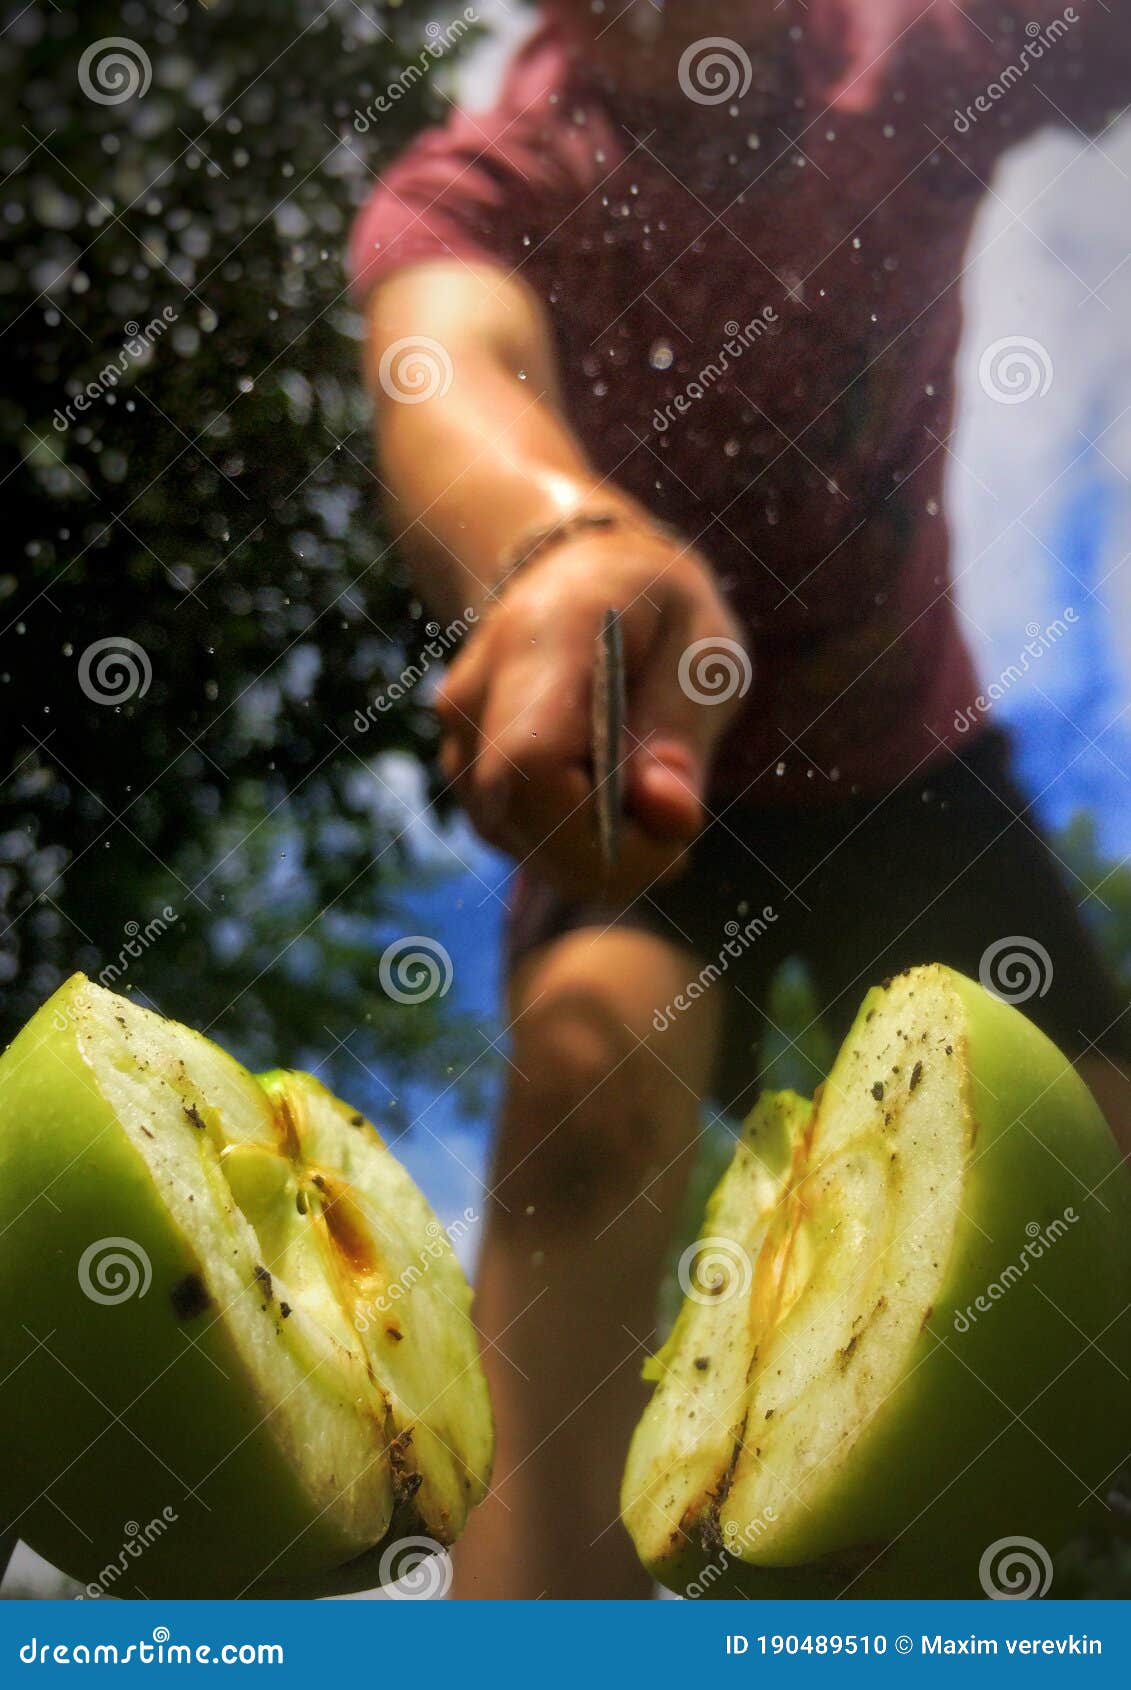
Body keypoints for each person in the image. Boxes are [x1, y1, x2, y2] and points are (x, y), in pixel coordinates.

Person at [353, 0, 1131, 1598]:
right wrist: (567, 546)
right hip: (648, 773)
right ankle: (536, 1622)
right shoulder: (489, 183)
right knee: (588, 1091)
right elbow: (445, 368)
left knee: (1089, 1140)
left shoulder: (914, 61)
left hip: (907, 756)